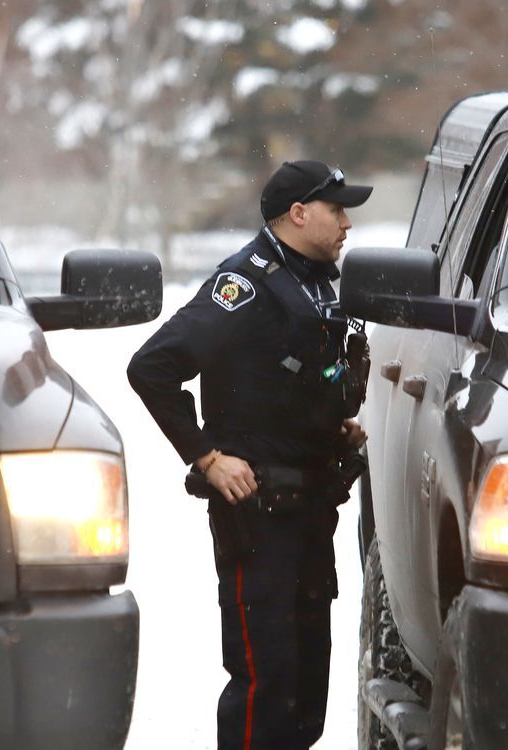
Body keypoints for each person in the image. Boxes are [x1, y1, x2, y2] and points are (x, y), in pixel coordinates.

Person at [127, 160, 372, 749]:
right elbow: (152, 368)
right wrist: (207, 457)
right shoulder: (246, 283)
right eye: (336, 209)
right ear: (298, 213)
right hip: (260, 511)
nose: (346, 223)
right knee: (266, 678)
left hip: (312, 504)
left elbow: (290, 378)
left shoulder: (314, 279)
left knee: (308, 682)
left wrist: (333, 426)